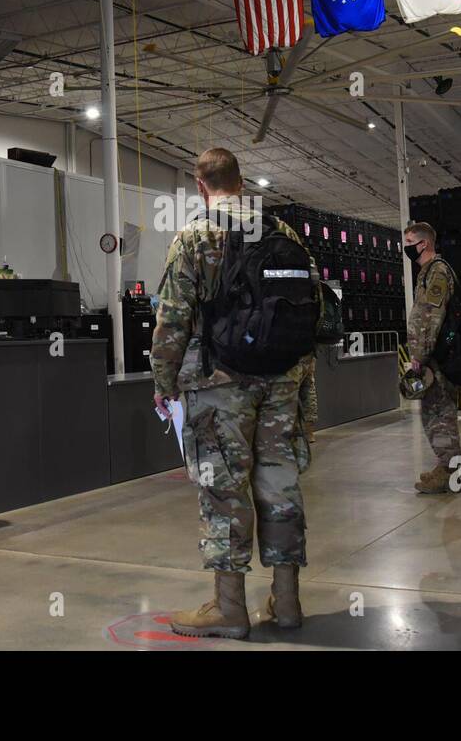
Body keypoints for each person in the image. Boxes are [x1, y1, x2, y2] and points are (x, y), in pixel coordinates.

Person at [150, 147, 315, 639]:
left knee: (224, 489)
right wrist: (303, 387)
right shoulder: (285, 235)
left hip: (218, 384)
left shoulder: (195, 235)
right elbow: (310, 311)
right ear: (242, 183)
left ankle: (229, 608)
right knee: (279, 484)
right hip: (282, 378)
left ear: (201, 187)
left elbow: (172, 319)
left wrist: (163, 384)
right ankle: (286, 603)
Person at [404, 222, 460, 494]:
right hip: (432, 356)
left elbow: (432, 317)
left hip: (436, 357)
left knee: (441, 414)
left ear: (423, 243)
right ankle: (445, 466)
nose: (406, 247)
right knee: (433, 413)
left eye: (409, 241)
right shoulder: (427, 272)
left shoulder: (437, 272)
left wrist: (420, 355)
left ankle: (450, 472)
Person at [297, 353, 318, 444]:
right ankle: (309, 432)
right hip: (308, 352)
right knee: (308, 389)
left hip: (290, 353)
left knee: (289, 390)